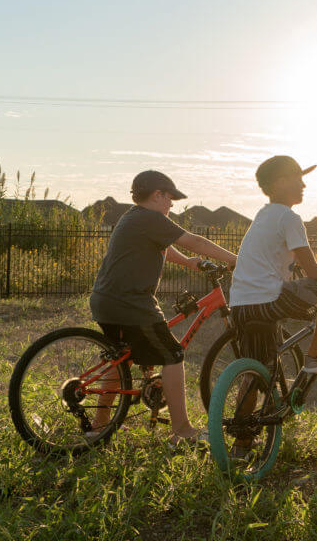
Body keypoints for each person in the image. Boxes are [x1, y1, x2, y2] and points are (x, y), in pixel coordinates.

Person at [89, 170, 239, 447]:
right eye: (170, 198)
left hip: (105, 299)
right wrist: (235, 260)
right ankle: (182, 429)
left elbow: (165, 248)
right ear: (157, 195)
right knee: (173, 354)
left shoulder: (133, 217)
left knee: (121, 359)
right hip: (131, 303)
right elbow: (196, 241)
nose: (171, 204)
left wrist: (189, 262)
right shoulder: (151, 217)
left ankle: (99, 426)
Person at [227, 156, 317, 436]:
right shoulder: (289, 217)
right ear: (280, 183)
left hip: (241, 306)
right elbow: (313, 271)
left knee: (256, 372)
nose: (303, 185)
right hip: (270, 301)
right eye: (298, 179)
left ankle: (242, 442)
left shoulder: (263, 216)